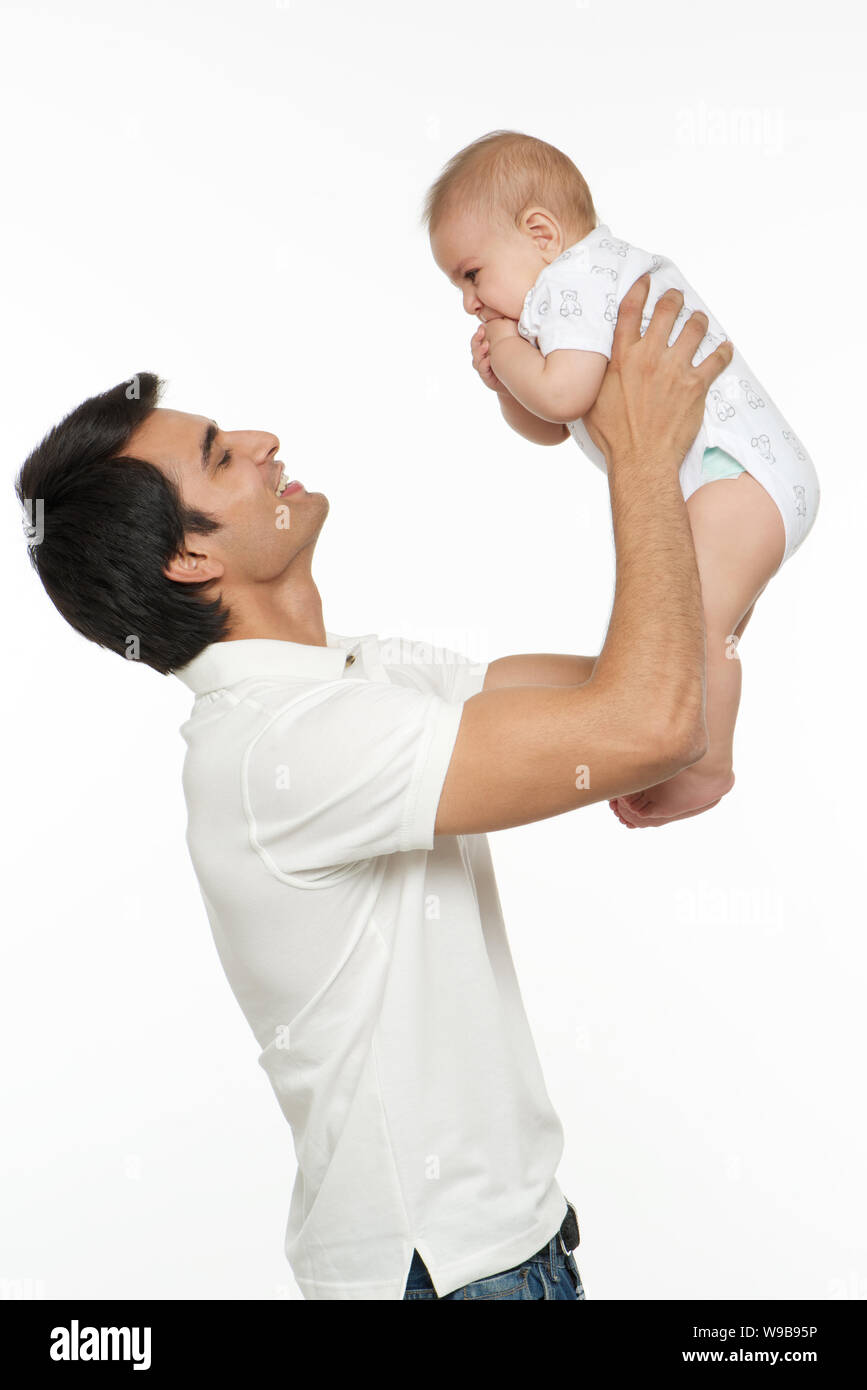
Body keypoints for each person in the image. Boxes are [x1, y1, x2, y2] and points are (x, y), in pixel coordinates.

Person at [15, 275, 731, 1300]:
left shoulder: (353, 680)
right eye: (221, 452)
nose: (262, 438)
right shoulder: (285, 750)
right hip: (448, 1275)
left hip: (498, 1251)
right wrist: (648, 455)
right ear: (188, 554)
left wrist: (633, 456)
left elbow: (656, 708)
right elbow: (649, 718)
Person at [426, 129, 819, 828]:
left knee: (689, 630)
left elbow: (563, 397)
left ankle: (705, 766)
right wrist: (502, 386)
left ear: (540, 233)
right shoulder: (576, 285)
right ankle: (692, 750)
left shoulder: (575, 280)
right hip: (742, 480)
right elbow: (547, 425)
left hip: (735, 476)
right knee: (698, 632)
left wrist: (512, 351)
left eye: (470, 274)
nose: (468, 301)